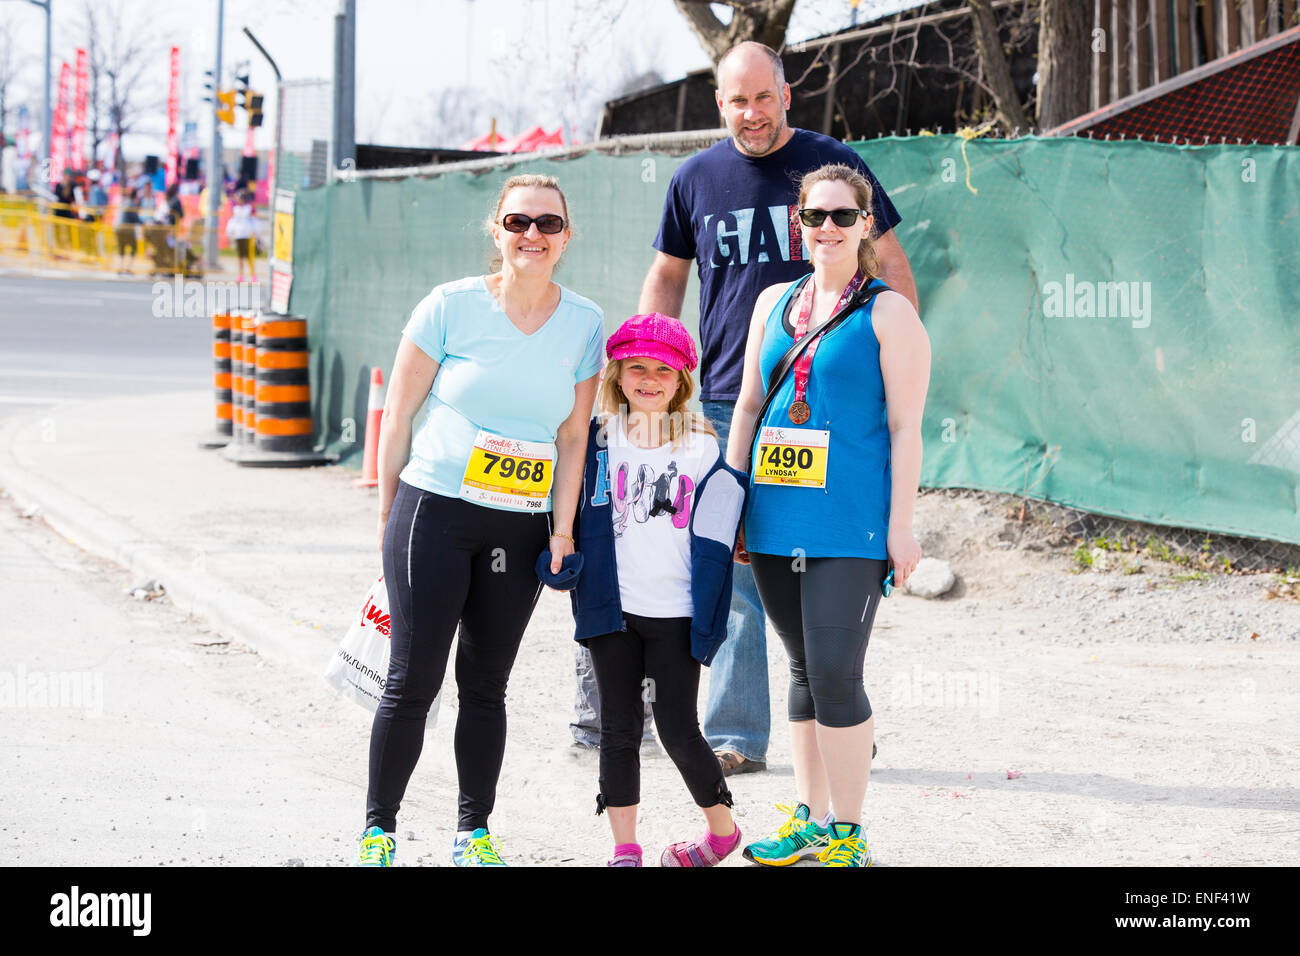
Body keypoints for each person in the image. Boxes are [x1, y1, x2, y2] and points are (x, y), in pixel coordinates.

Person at [632, 40, 918, 777]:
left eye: (764, 98)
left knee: (822, 564)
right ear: (718, 103)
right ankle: (735, 733)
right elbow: (666, 276)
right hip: (730, 399)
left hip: (825, 407)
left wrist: (898, 364)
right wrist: (651, 369)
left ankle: (837, 710)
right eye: (736, 100)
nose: (751, 114)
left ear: (786, 95)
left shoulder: (831, 167)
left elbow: (889, 261)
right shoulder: (694, 179)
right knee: (734, 566)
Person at [356, 174, 604, 867]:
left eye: (548, 224)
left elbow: (573, 438)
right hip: (433, 511)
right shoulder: (450, 307)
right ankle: (379, 830)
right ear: (496, 231)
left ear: (566, 237)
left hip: (521, 523)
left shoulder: (583, 322)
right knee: (413, 677)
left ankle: (474, 834)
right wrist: (388, 519)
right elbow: (399, 416)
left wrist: (560, 533)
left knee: (487, 686)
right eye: (518, 222)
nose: (532, 235)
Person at [729, 163, 929, 867]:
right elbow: (751, 405)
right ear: (799, 224)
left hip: (851, 524)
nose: (829, 228)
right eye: (816, 216)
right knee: (803, 670)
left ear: (865, 225)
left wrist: (901, 526)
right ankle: (810, 820)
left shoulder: (887, 311)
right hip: (775, 515)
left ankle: (848, 832)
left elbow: (907, 427)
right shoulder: (771, 303)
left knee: (838, 671)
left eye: (844, 216)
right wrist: (733, 500)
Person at [570, 313, 747, 867]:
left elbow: (723, 533)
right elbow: (571, 512)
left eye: (663, 371)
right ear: (618, 374)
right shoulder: (598, 439)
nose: (649, 379)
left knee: (676, 727)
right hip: (612, 609)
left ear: (681, 382)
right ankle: (625, 847)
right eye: (637, 368)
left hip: (676, 611)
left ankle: (722, 831)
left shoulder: (699, 446)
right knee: (618, 728)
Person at [226, 189, 256, 281]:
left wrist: (255, 232)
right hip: (239, 234)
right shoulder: (236, 209)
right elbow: (233, 221)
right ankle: (241, 275)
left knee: (249, 256)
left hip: (248, 234)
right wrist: (229, 232)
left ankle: (252, 275)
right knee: (240, 256)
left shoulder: (249, 208)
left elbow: (254, 220)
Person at [114, 186, 142, 274]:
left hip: (118, 228)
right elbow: (136, 218)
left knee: (121, 249)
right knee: (133, 248)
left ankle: (120, 267)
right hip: (126, 229)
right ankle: (127, 268)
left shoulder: (124, 202)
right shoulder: (131, 204)